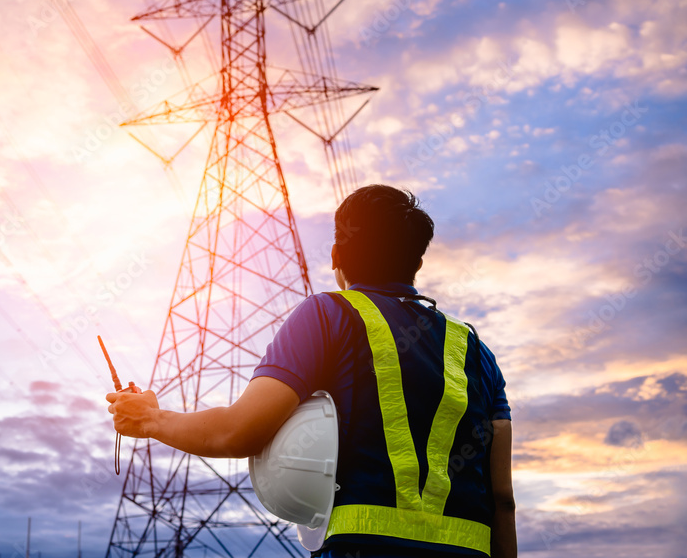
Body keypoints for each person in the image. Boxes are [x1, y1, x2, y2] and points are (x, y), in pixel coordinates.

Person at [106, 184, 516, 557]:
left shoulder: (329, 315)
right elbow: (502, 500)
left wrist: (149, 419)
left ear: (337, 256)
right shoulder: (476, 351)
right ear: (416, 263)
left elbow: (237, 433)